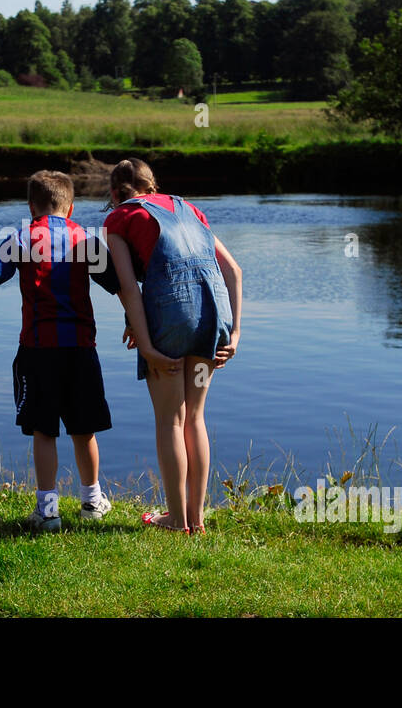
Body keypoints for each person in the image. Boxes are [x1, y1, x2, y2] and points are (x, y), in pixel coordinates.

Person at [0, 170, 119, 531]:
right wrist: (134, 322)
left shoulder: (22, 237)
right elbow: (119, 283)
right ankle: (92, 501)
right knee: (84, 429)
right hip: (81, 348)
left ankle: (48, 510)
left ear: (31, 206)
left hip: (38, 349)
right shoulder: (85, 238)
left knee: (44, 431)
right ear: (71, 205)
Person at [103, 158, 242, 533]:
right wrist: (235, 333)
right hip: (213, 315)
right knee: (195, 418)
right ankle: (196, 519)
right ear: (153, 186)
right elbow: (233, 270)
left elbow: (129, 286)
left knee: (170, 420)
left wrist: (146, 345)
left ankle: (175, 519)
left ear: (115, 194)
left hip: (171, 316)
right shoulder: (188, 208)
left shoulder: (118, 219)